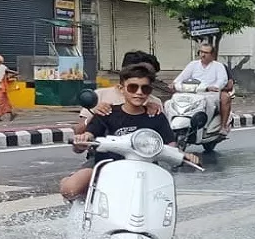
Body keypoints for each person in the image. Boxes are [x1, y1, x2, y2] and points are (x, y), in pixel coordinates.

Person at [61, 64, 200, 201]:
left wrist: (184, 155)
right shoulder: (107, 112)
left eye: (144, 88)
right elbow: (90, 134)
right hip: (106, 166)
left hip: (145, 169)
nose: (139, 92)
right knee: (71, 189)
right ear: (122, 89)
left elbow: (170, 145)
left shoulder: (156, 115)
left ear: (150, 91)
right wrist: (82, 138)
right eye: (133, 87)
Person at [74, 50, 164, 136]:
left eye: (151, 75)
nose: (139, 92)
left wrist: (154, 115)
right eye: (139, 72)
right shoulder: (100, 95)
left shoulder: (155, 102)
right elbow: (78, 132)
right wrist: (95, 116)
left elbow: (165, 139)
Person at [173, 43, 232, 134]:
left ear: (212, 55)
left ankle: (221, 126)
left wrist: (215, 87)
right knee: (171, 102)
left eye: (206, 52)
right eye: (201, 52)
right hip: (193, 93)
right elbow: (180, 78)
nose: (203, 55)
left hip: (211, 94)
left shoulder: (218, 66)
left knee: (221, 98)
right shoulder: (192, 64)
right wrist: (175, 84)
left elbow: (222, 80)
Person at [0, 54, 17, 122]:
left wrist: (8, 77)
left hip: (2, 89)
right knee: (5, 102)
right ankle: (12, 113)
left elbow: (15, 73)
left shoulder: (3, 68)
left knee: (1, 103)